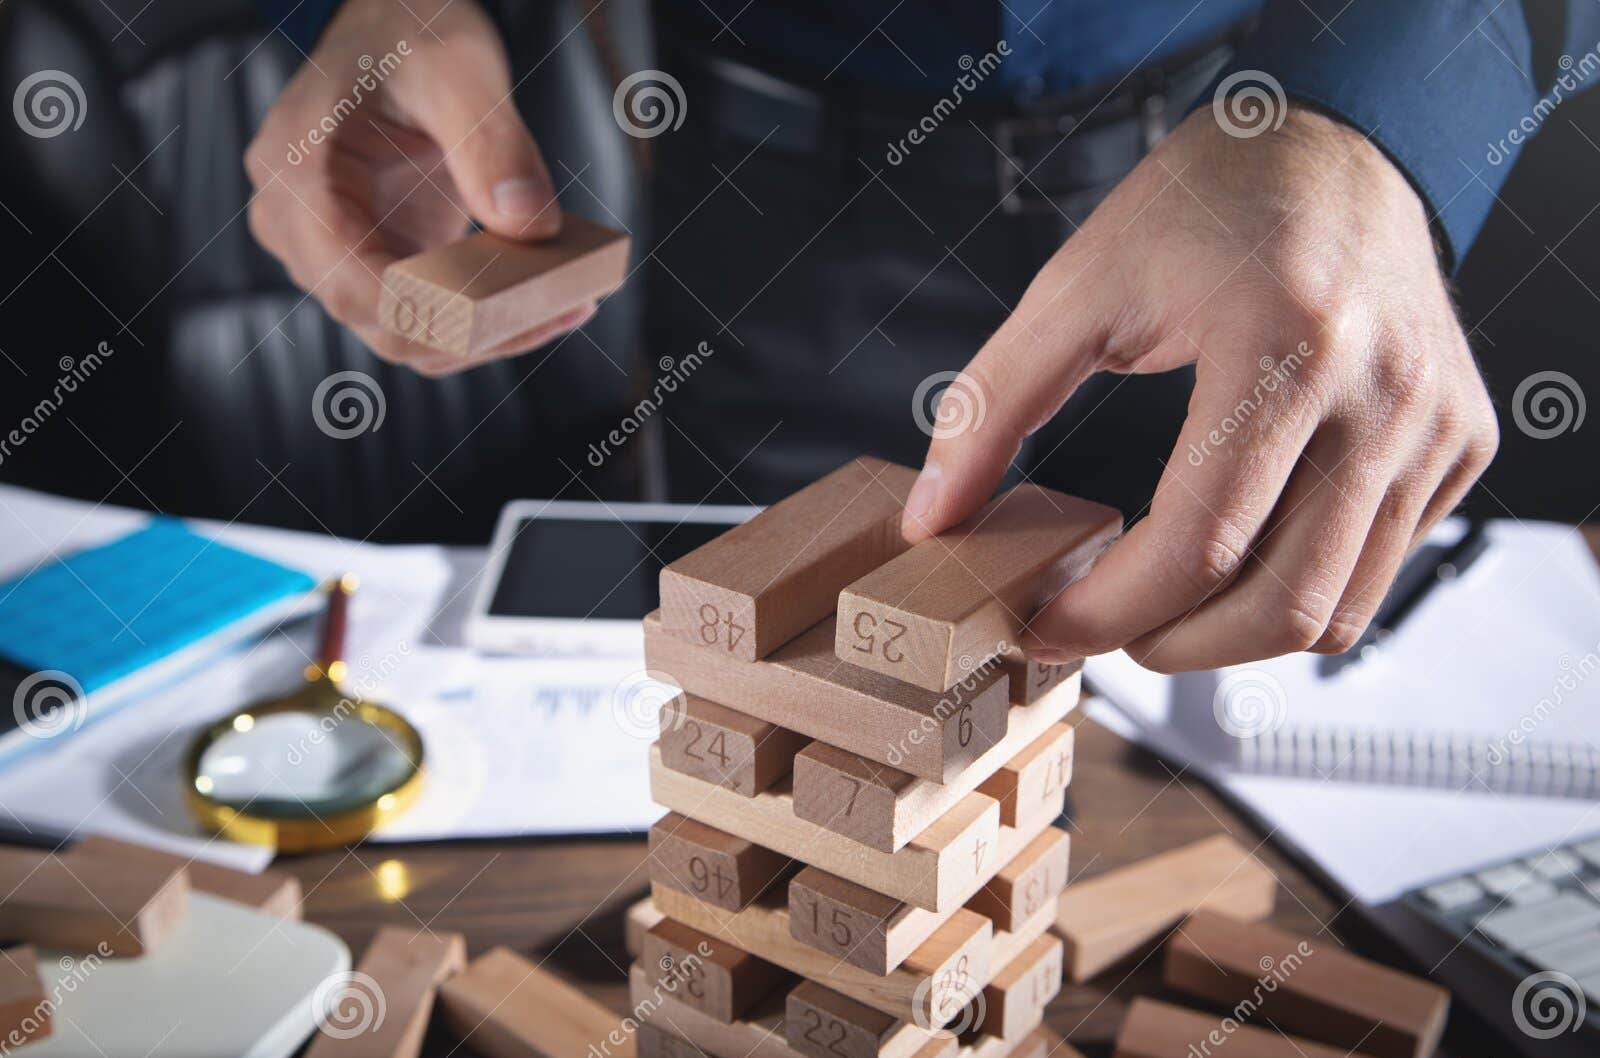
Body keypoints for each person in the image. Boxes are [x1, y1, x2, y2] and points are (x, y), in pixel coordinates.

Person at [245, 1, 1596, 672]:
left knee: (1246, 656)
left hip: (1246, 189)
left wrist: (1385, 133)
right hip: (770, 182)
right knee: (780, 695)